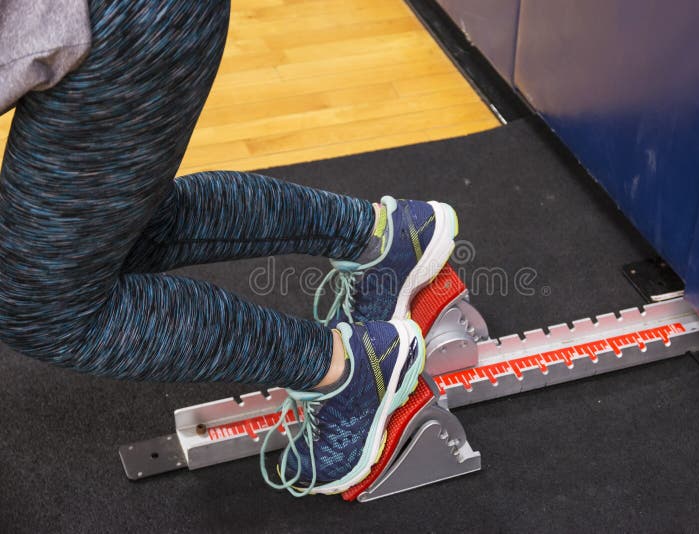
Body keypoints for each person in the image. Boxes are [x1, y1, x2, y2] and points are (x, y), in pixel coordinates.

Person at [0, 1, 457, 496]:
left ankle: (351, 371)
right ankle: (384, 238)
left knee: (39, 306)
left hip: (106, 24)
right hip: (132, 17)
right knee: (106, 238)